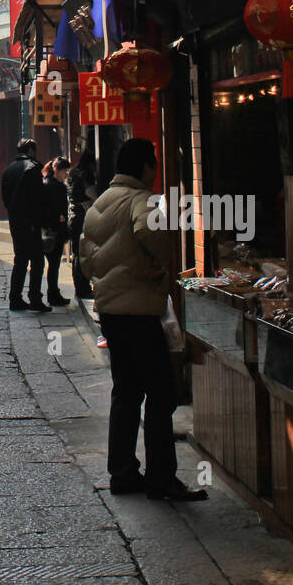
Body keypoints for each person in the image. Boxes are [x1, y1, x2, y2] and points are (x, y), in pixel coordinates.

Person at [79, 138, 207, 503]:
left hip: (111, 312)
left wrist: (110, 278)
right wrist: (156, 263)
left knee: (126, 392)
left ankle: (122, 473)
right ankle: (161, 477)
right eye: (154, 164)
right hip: (139, 314)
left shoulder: (101, 202)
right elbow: (156, 240)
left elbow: (86, 259)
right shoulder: (144, 200)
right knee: (161, 394)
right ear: (145, 167)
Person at [0, 137, 49, 311]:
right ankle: (34, 297)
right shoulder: (33, 167)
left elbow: (5, 197)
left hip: (15, 220)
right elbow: (38, 198)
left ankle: (15, 298)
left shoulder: (8, 169)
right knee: (37, 260)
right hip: (31, 221)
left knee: (20, 260)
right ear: (31, 151)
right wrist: (40, 220)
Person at [67, 145, 98, 301]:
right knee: (83, 253)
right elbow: (90, 192)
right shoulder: (85, 173)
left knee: (77, 253)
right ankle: (84, 288)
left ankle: (79, 287)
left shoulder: (73, 172)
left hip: (72, 214)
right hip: (82, 215)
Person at [41, 157, 71, 306]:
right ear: (57, 170)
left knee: (54, 265)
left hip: (53, 229)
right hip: (54, 230)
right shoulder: (52, 186)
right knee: (53, 264)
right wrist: (57, 218)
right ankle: (53, 294)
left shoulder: (50, 184)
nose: (66, 174)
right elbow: (48, 208)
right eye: (65, 171)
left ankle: (53, 292)